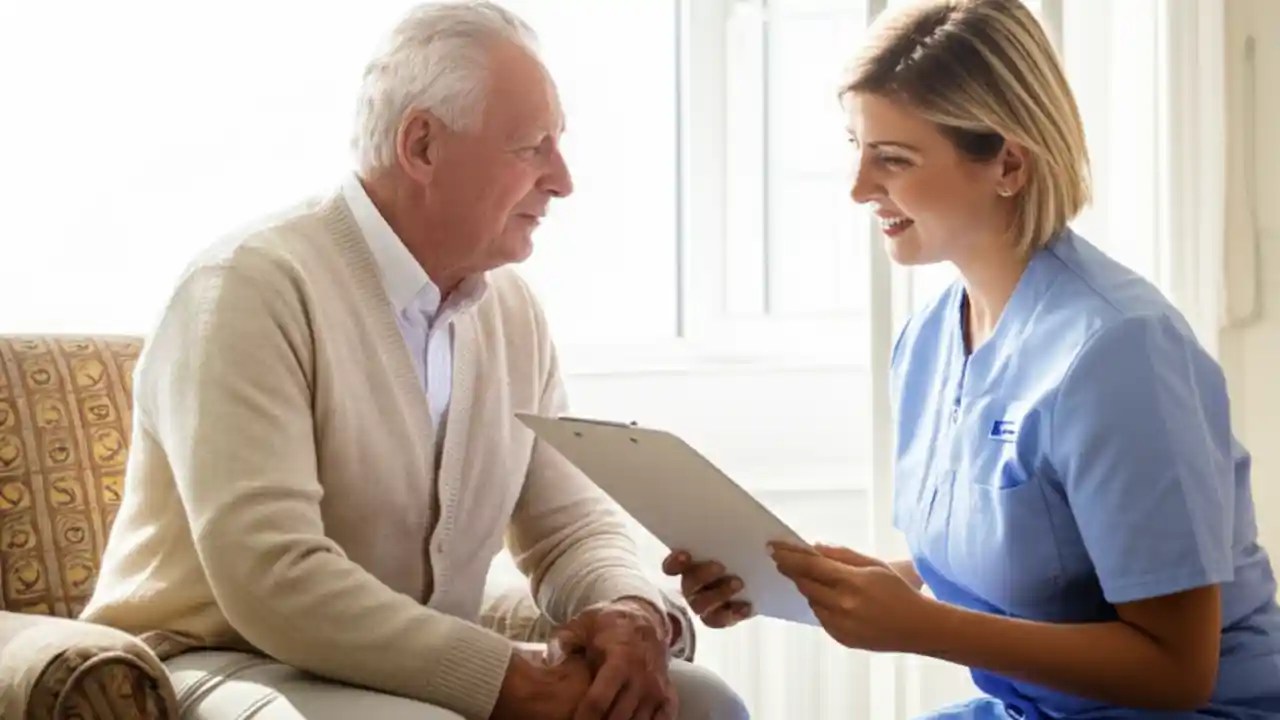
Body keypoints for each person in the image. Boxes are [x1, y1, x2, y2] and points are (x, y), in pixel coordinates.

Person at [80, 3, 747, 719]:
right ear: (422, 145)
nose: (563, 179)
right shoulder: (248, 288)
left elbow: (570, 528)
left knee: (701, 704)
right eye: (532, 148)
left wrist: (631, 613)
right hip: (222, 657)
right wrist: (509, 682)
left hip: (389, 669)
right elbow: (273, 578)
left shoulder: (513, 311)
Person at [664, 0, 1280, 717]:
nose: (859, 187)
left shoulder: (1120, 352)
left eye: (892, 158)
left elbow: (1176, 671)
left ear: (1008, 164)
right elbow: (1030, 566)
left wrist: (919, 627)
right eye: (856, 148)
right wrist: (825, 588)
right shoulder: (929, 340)